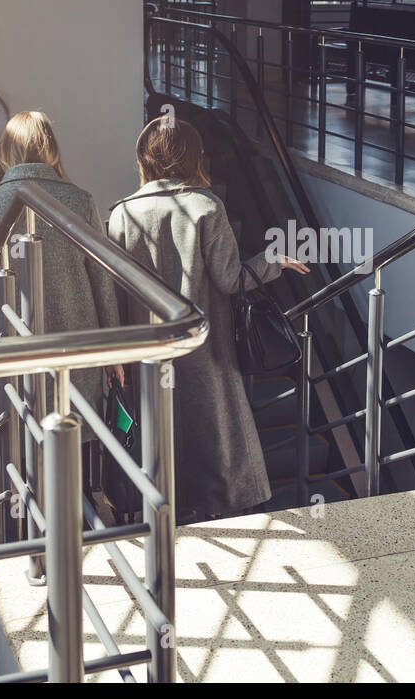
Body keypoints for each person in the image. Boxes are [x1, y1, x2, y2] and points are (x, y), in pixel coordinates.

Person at [108, 115, 309, 522]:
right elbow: (230, 278)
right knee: (216, 428)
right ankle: (219, 504)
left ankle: (159, 504)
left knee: (155, 425)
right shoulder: (205, 206)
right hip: (203, 348)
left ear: (144, 158)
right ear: (193, 156)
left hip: (145, 350)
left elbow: (113, 288)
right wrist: (272, 261)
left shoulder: (120, 214)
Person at [0, 110, 123, 441]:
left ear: (5, 150)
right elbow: (102, 281)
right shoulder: (81, 200)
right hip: (76, 350)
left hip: (15, 352)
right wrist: (114, 349)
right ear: (50, 148)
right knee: (70, 445)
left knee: (20, 450)